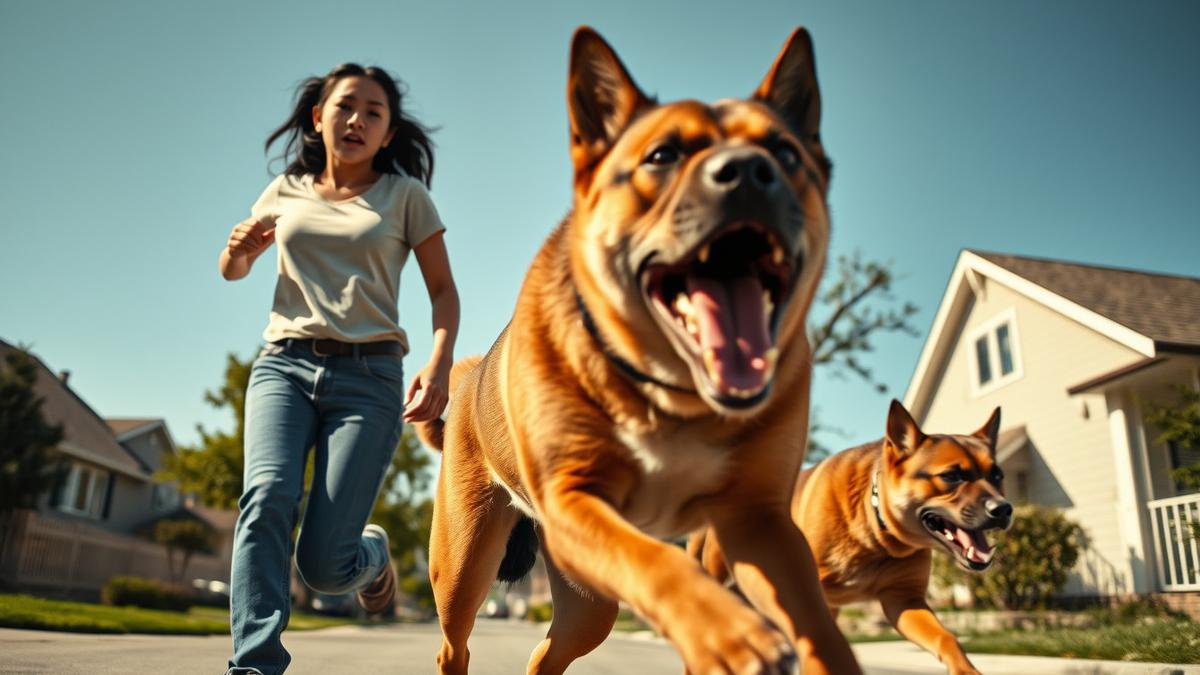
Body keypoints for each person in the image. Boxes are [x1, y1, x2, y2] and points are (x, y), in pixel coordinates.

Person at [219, 63, 459, 675]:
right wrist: (237, 253)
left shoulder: (406, 197)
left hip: (370, 377)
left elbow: (442, 293)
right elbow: (233, 269)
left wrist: (438, 362)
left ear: (387, 133)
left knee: (325, 567)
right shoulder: (285, 191)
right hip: (284, 365)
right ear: (317, 117)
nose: (357, 119)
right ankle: (255, 664)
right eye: (346, 106)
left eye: (374, 111)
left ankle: (371, 557)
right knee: (267, 496)